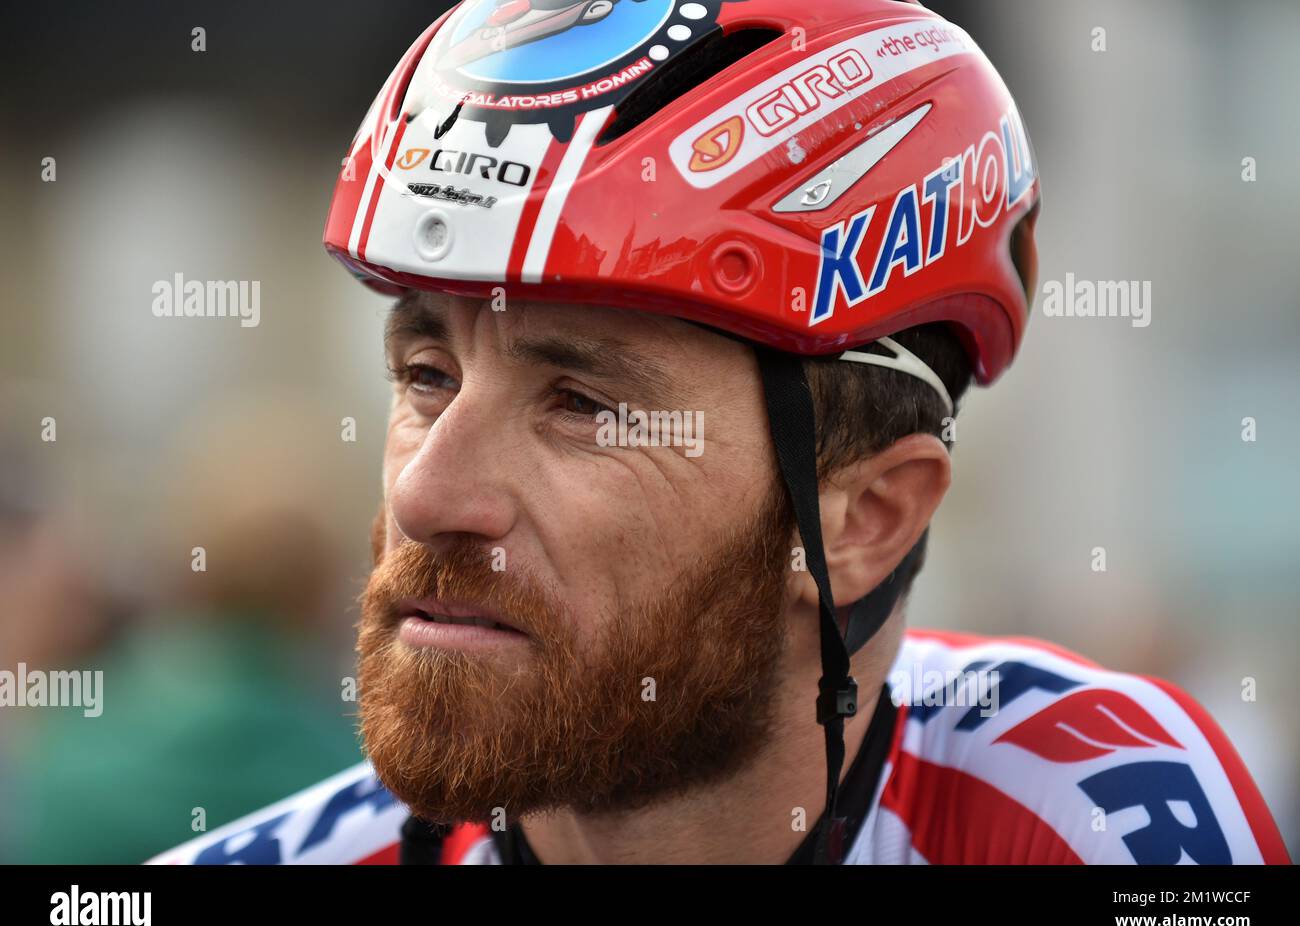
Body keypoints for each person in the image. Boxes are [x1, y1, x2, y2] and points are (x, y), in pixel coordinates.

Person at [153, 0, 1289, 865]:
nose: (425, 495)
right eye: (425, 373)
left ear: (861, 517)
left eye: (581, 405)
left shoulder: (1101, 822)